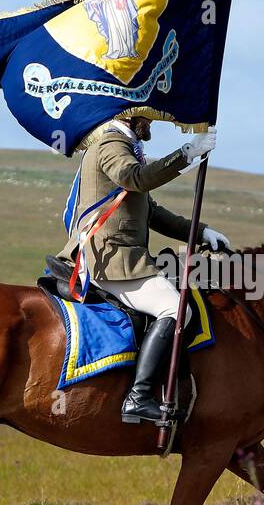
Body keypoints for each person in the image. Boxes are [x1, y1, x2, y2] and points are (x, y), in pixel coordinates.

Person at [58, 115, 230, 423]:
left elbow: (151, 211)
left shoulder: (126, 146)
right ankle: (138, 397)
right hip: (111, 259)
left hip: (121, 256)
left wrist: (202, 232)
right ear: (131, 116)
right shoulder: (111, 144)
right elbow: (136, 178)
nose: (151, 123)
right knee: (176, 310)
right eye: (147, 118)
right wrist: (187, 153)